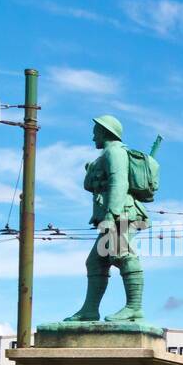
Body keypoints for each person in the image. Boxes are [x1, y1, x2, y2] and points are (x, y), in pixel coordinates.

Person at [64, 115, 148, 322]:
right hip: (115, 214)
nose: (93, 137)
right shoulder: (109, 154)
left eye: (96, 131)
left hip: (120, 214)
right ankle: (90, 310)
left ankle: (134, 307)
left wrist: (112, 214)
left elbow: (118, 183)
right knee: (96, 262)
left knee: (123, 256)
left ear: (105, 131)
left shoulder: (114, 152)